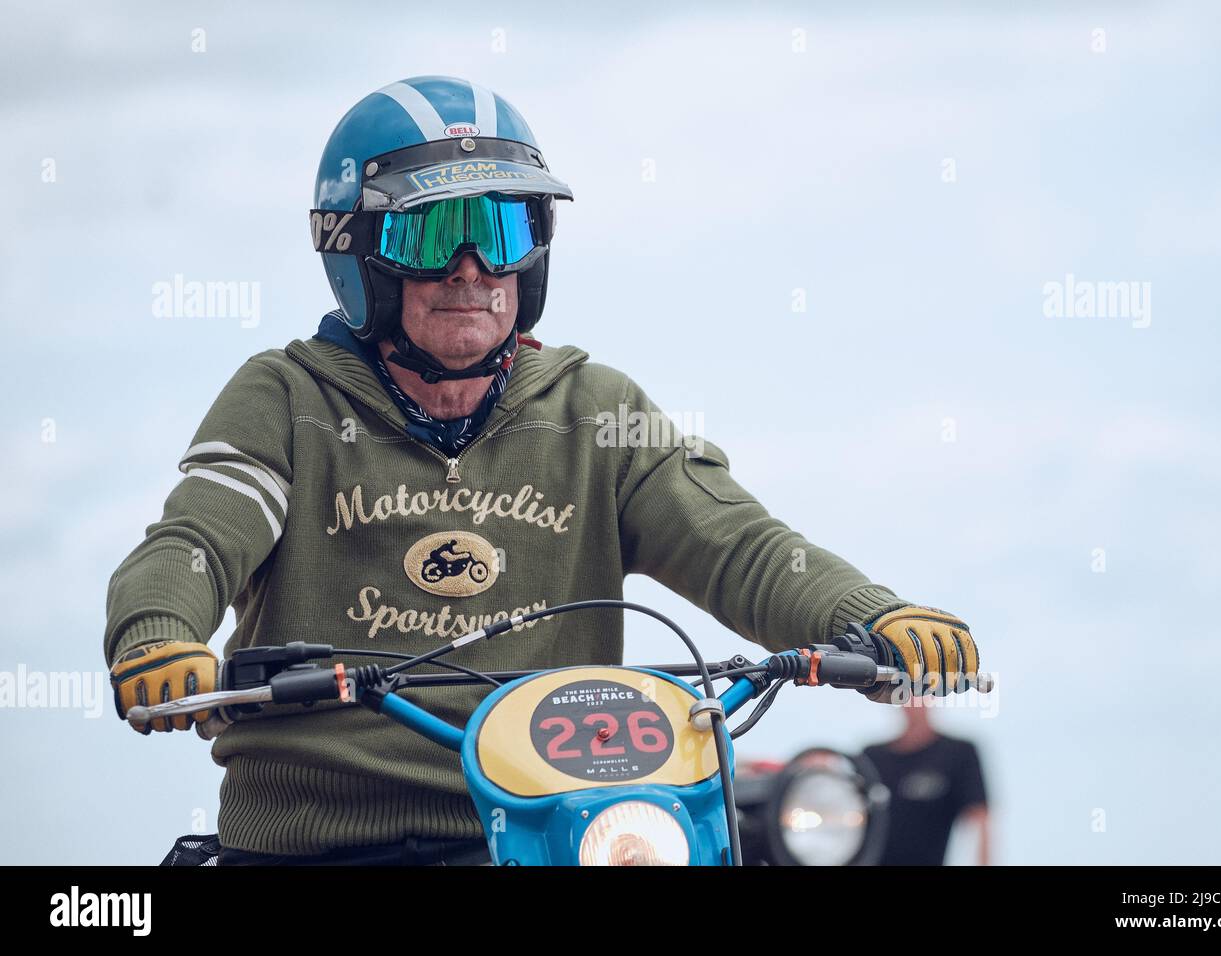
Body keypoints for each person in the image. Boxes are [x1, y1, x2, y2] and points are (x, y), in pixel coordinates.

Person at [103, 75, 985, 866]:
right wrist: (157, 635)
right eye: (433, 233)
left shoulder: (592, 407)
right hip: (325, 847)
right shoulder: (286, 400)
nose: (475, 269)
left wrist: (875, 616)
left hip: (562, 821)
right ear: (356, 248)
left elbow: (740, 544)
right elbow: (196, 537)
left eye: (504, 226)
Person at [861, 695, 992, 865]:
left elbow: (979, 820)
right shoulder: (872, 757)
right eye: (906, 691)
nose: (913, 699)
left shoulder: (958, 753)